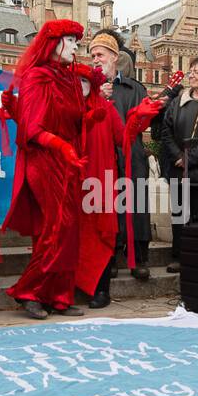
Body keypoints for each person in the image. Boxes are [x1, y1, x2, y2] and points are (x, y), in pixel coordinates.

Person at [3, 19, 95, 319]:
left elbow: (77, 120)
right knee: (55, 227)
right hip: (44, 160)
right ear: (54, 44)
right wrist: (62, 148)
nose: (76, 47)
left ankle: (59, 296)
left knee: (69, 230)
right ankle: (28, 291)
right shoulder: (36, 77)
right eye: (71, 41)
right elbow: (32, 128)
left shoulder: (68, 79)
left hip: (68, 161)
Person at [89, 29, 154, 282]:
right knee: (108, 206)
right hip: (102, 156)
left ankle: (139, 257)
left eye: (100, 54)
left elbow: (144, 122)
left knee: (136, 205)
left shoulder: (135, 88)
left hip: (132, 156)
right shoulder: (88, 88)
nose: (95, 59)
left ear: (115, 57)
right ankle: (112, 255)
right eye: (92, 55)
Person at [154, 57, 198, 274]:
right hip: (177, 168)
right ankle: (178, 256)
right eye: (191, 71)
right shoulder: (177, 102)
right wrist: (177, 156)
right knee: (179, 216)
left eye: (197, 72)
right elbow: (166, 132)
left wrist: (189, 159)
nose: (191, 75)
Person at [75, 58, 124, 309]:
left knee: (101, 236)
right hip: (73, 183)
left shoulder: (107, 108)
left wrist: (139, 119)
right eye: (77, 80)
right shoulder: (67, 109)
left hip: (100, 184)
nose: (80, 84)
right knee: (76, 236)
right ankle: (76, 286)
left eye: (85, 80)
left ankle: (101, 289)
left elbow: (122, 137)